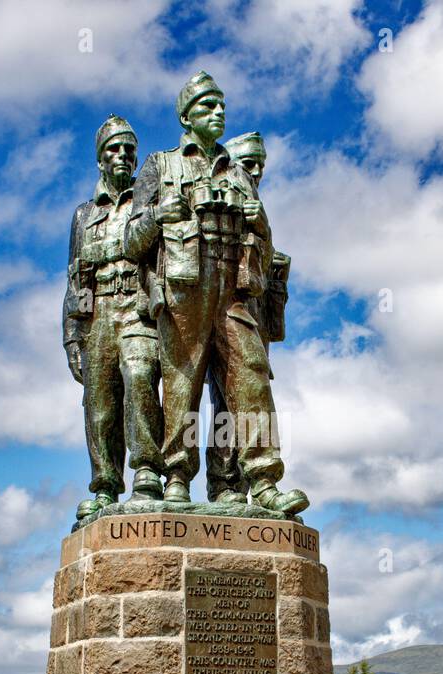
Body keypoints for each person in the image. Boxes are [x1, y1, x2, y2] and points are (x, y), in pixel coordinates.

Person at [123, 71, 308, 515]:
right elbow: (131, 242)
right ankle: (177, 477)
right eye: (208, 106)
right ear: (186, 116)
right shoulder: (160, 166)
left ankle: (262, 481)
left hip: (233, 288)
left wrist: (259, 220)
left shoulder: (239, 173)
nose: (219, 112)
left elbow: (264, 247)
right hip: (186, 287)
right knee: (182, 383)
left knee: (250, 376)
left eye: (222, 105)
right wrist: (157, 217)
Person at [62, 115, 164, 521]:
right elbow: (75, 280)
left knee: (139, 376)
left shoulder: (146, 203)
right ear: (100, 159)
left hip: (137, 307)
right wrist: (73, 337)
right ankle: (105, 486)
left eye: (129, 150)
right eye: (113, 149)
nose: (122, 156)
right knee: (99, 402)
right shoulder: (84, 215)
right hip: (99, 312)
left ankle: (147, 472)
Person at [204, 131, 291, 504]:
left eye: (261, 164)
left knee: (242, 399)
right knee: (218, 405)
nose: (255, 171)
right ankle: (223, 482)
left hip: (250, 323)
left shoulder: (258, 215)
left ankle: (236, 485)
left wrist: (264, 229)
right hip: (211, 312)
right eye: (248, 162)